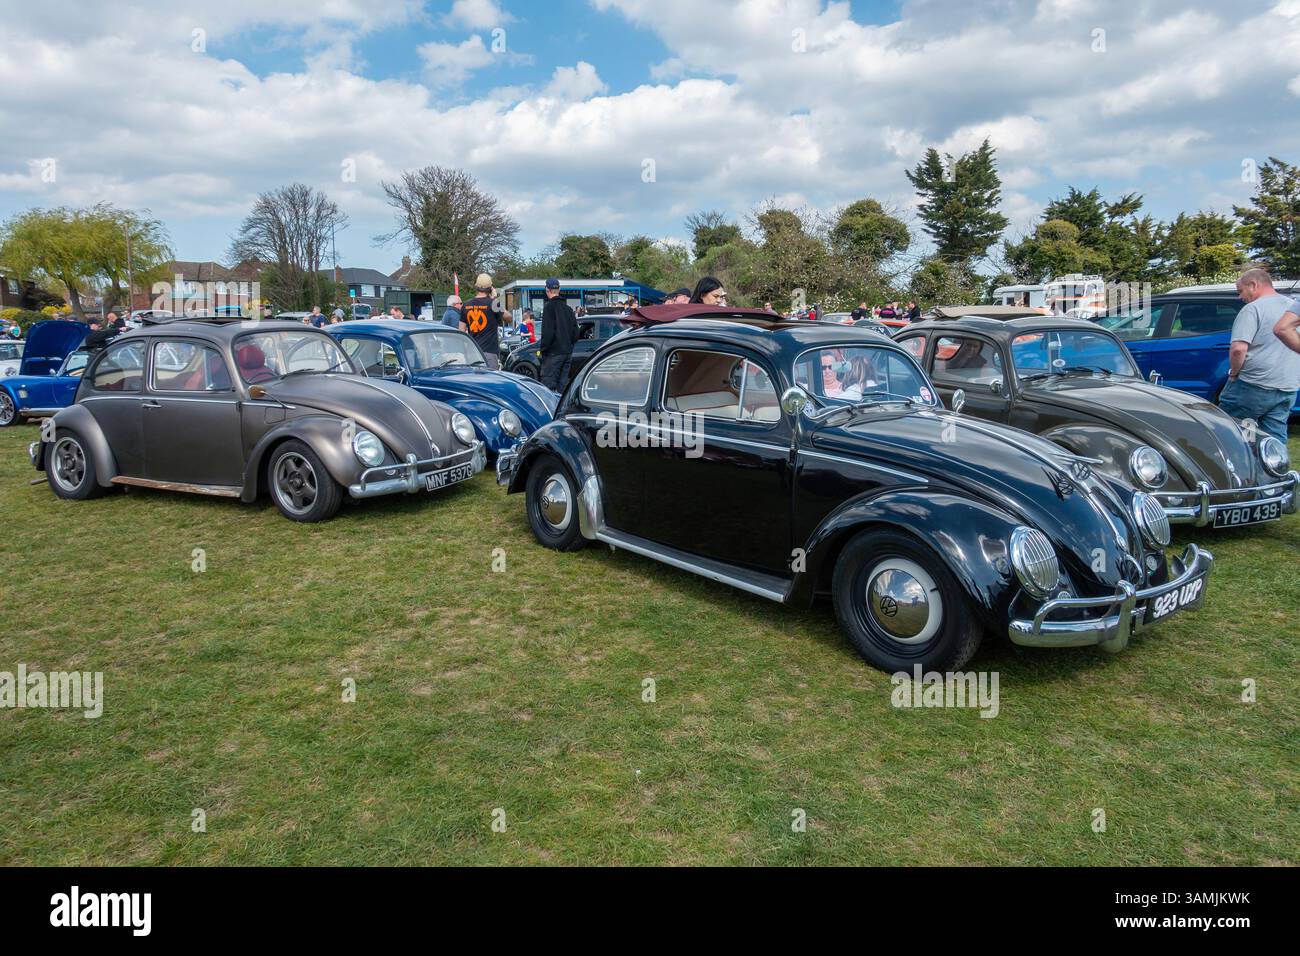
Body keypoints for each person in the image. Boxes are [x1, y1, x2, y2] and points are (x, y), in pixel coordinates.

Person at [1218, 268, 1300, 445]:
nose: (1240, 297)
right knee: (1274, 439)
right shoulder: (1292, 308)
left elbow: (1238, 349)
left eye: (1240, 291)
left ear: (1253, 285)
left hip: (1252, 385)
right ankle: (1276, 470)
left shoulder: (1253, 309)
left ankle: (1238, 470)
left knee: (1232, 433)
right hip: (1287, 386)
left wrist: (1233, 373)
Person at [538, 278, 578, 390]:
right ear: (559, 289)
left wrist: (543, 350)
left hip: (553, 354)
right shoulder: (568, 309)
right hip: (567, 352)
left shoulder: (549, 308)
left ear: (547, 290)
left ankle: (551, 408)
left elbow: (547, 333)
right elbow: (576, 333)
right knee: (563, 387)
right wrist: (569, 345)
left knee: (548, 387)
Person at [459, 273, 504, 369]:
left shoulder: (466, 305)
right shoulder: (493, 303)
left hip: (472, 353)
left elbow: (461, 331)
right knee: (490, 382)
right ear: (491, 288)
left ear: (476, 286)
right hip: (489, 353)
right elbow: (509, 318)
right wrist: (496, 299)